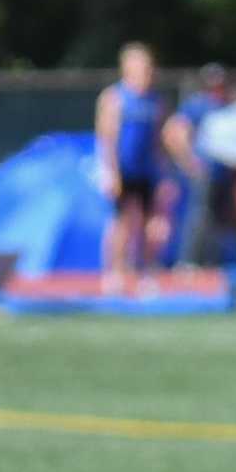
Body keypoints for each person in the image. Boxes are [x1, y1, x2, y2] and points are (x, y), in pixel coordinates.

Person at [95, 41, 168, 293]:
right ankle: (114, 273)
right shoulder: (115, 97)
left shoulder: (156, 101)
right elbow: (106, 137)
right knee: (121, 224)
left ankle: (145, 273)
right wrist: (111, 172)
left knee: (150, 225)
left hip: (147, 171)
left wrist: (162, 173)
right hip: (123, 169)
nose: (146, 71)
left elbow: (158, 140)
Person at [162, 63, 236, 270]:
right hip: (205, 172)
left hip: (223, 172)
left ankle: (214, 262)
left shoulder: (227, 105)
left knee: (220, 221)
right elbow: (173, 131)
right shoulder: (198, 105)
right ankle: (188, 261)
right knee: (198, 217)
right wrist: (189, 161)